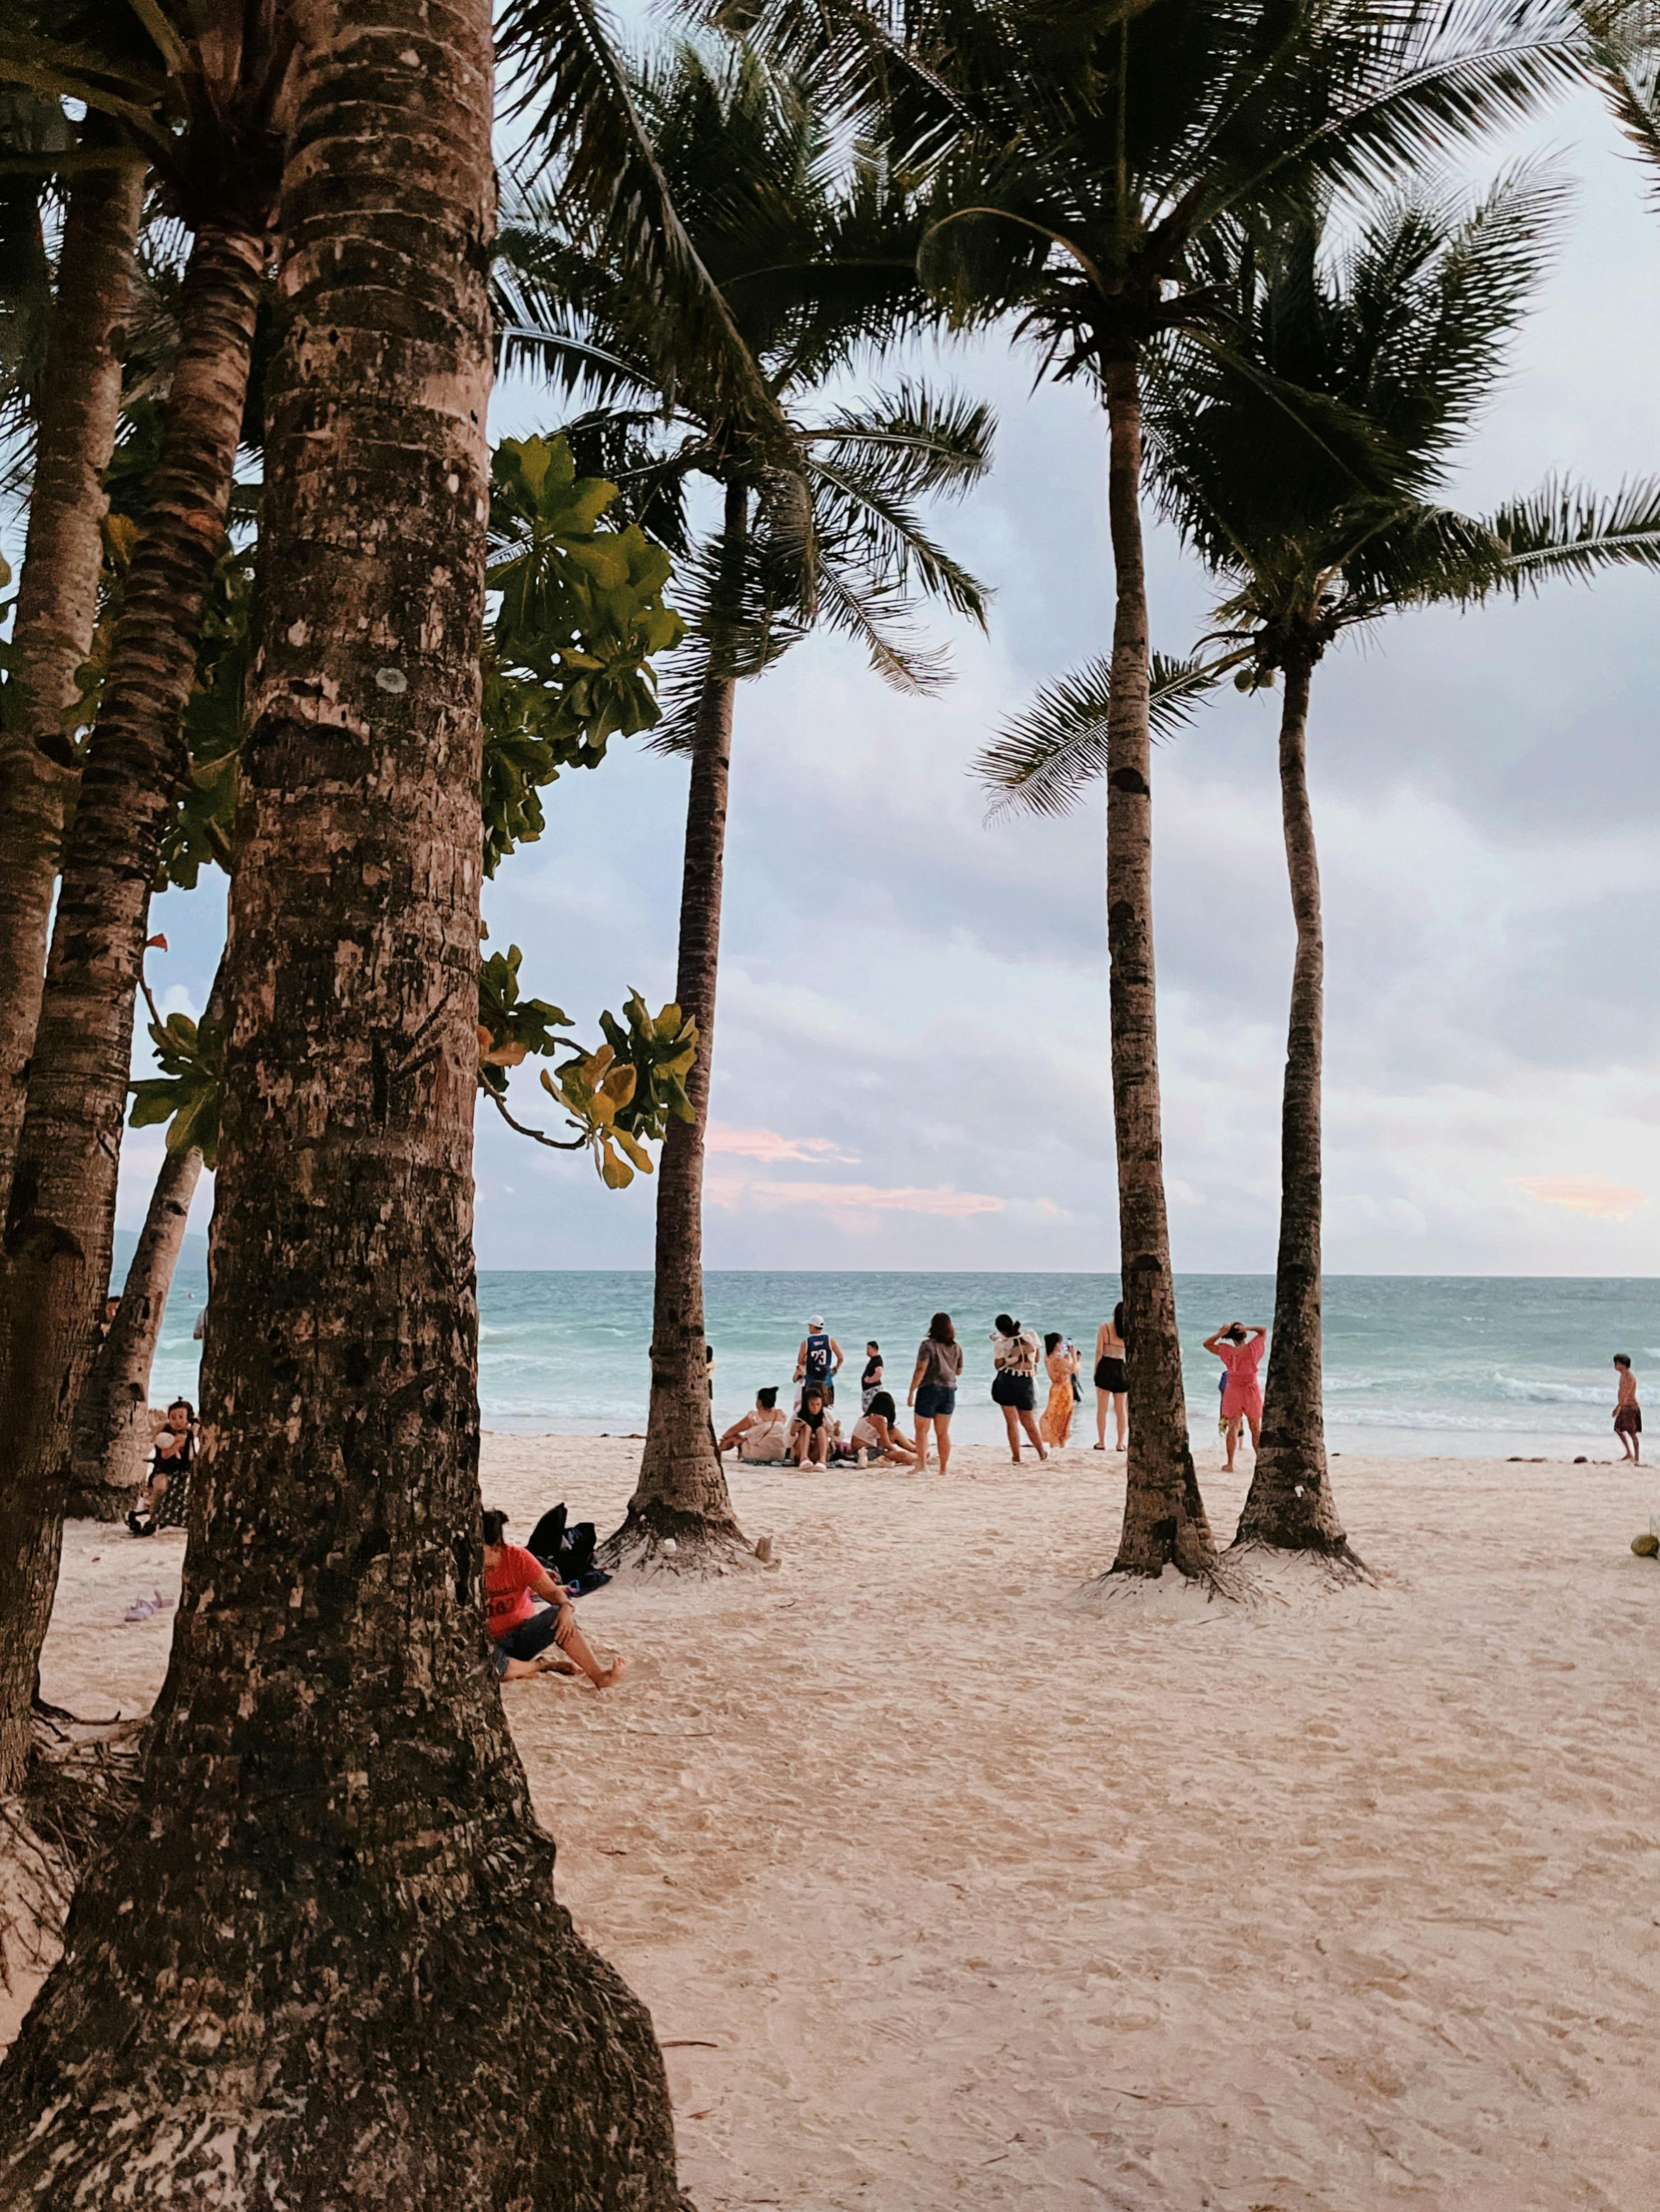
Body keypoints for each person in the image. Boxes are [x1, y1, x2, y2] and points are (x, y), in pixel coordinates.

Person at [482, 1509, 628, 1686]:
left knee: (558, 1615)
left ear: (497, 1546)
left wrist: (566, 1607)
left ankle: (599, 1677)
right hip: (487, 1645)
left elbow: (553, 1594)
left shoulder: (518, 1559)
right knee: (490, 1667)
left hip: (522, 1636)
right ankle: (541, 1665)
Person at [128, 1398, 197, 1537]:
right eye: (173, 1418)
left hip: (186, 1471)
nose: (177, 1421)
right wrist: (177, 1445)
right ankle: (154, 1519)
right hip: (165, 1470)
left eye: (181, 1417)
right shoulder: (164, 1435)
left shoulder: (189, 1433)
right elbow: (165, 1455)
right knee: (161, 1487)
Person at [1204, 1321, 1268, 1472]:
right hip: (1251, 1390)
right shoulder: (1253, 1349)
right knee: (1255, 1427)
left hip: (1233, 1390)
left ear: (1230, 1337)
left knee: (1233, 1427)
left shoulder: (1227, 1351)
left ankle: (1230, 1464)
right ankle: (1260, 1463)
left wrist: (1222, 1333)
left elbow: (1207, 1344)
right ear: (1245, 1334)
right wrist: (1247, 1327)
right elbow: (1263, 1331)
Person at [908, 1312, 963, 1475]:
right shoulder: (956, 1347)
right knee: (943, 1432)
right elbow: (959, 1371)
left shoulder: (927, 1345)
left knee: (922, 1430)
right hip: (949, 1391)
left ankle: (922, 1465)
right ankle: (943, 1469)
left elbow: (921, 1368)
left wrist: (912, 1390)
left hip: (930, 1389)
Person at [990, 1313, 1048, 1463]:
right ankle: (1042, 1453)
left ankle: (1016, 1457)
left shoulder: (1001, 1344)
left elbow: (999, 1365)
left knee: (1012, 1422)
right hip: (1026, 1381)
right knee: (1028, 1422)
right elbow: (1035, 1358)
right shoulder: (1031, 1337)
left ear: (1000, 1330)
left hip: (1007, 1381)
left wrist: (999, 1342)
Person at [719, 1386, 791, 1463]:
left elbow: (734, 1429)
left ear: (759, 1402)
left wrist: (723, 1438)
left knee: (733, 1436)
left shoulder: (755, 1417)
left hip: (758, 1455)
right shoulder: (781, 1415)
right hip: (779, 1455)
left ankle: (717, 1452)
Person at [849, 1390, 918, 1466]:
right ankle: (921, 1454)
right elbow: (886, 1444)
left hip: (859, 1453)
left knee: (893, 1431)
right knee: (905, 1456)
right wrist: (895, 1453)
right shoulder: (880, 1419)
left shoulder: (866, 1417)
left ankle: (917, 1450)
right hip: (867, 1453)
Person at [1094, 1303, 1127, 1452]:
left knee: (1102, 1409)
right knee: (1121, 1410)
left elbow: (1099, 1352)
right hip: (1121, 1367)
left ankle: (1101, 1442)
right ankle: (1120, 1444)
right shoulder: (1129, 1332)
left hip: (1106, 1367)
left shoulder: (1105, 1328)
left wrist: (1096, 1372)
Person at [1040, 1332, 1081, 1449]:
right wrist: (1075, 1357)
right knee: (1063, 1418)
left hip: (1055, 1389)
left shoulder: (1048, 1358)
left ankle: (1056, 1442)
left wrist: (1067, 1356)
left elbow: (1060, 1370)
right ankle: (1060, 1443)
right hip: (1064, 1390)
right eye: (1060, 1343)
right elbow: (1074, 1369)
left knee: (1054, 1416)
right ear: (1057, 1344)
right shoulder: (1058, 1359)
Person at [794, 1316, 843, 1405]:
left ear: (813, 1326)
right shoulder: (830, 1340)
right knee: (827, 1408)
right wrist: (835, 1369)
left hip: (811, 1381)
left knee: (810, 1408)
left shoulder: (806, 1342)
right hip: (826, 1380)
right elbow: (841, 1357)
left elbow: (800, 1361)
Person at [788, 1383, 837, 1467]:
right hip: (801, 1450)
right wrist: (794, 1430)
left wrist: (836, 1429)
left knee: (821, 1430)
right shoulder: (799, 1412)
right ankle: (804, 1458)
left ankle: (822, 1460)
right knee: (806, 1428)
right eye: (812, 1404)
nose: (816, 1408)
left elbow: (835, 1436)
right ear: (807, 1404)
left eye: (818, 1405)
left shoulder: (825, 1414)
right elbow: (787, 1441)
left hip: (818, 1449)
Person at [1614, 1354, 1642, 1463]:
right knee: (1618, 1429)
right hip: (1623, 1406)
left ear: (1623, 1364)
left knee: (1632, 1433)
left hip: (1631, 1407)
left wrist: (1619, 1408)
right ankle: (1629, 1453)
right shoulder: (1622, 1376)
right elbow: (1621, 1393)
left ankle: (1637, 1457)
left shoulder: (1630, 1378)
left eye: (1617, 1363)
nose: (1616, 1365)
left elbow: (1627, 1394)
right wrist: (1618, 1406)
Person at [860, 1342, 883, 1412]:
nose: (867, 1351)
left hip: (873, 1390)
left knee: (871, 1411)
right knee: (867, 1410)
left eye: (869, 1349)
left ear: (875, 1349)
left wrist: (870, 1380)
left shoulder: (877, 1360)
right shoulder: (874, 1360)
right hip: (869, 1390)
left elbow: (879, 1373)